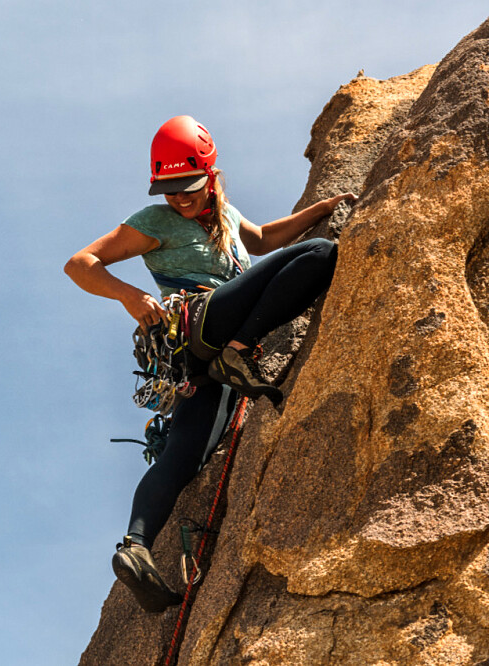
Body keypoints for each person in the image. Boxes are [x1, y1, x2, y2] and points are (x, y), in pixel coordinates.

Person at [64, 115, 356, 613]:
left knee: (185, 453)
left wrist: (321, 208)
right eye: (170, 190)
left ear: (211, 173)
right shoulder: (156, 222)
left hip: (201, 361)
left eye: (189, 188)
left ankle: (134, 547)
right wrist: (130, 296)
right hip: (199, 321)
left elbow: (261, 240)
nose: (179, 198)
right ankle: (240, 353)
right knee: (321, 255)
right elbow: (80, 264)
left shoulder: (222, 212)